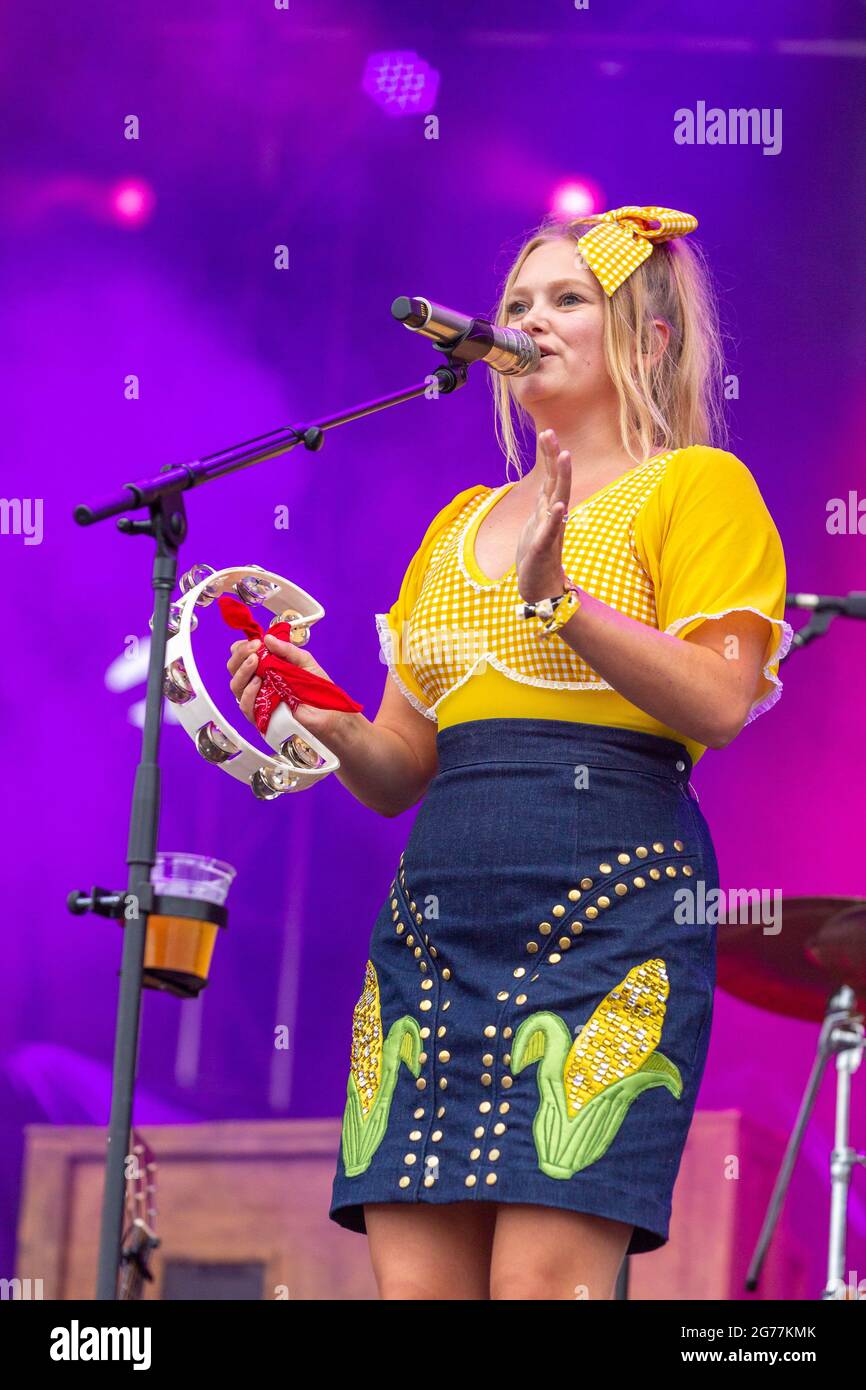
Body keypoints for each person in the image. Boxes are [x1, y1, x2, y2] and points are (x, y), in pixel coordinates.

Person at [226, 205, 792, 1301]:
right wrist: (325, 720)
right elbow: (399, 769)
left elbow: (721, 701)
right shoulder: (455, 524)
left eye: (565, 299)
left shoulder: (697, 487)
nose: (528, 321)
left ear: (651, 335)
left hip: (606, 909)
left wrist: (559, 603)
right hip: (435, 927)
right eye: (517, 304)